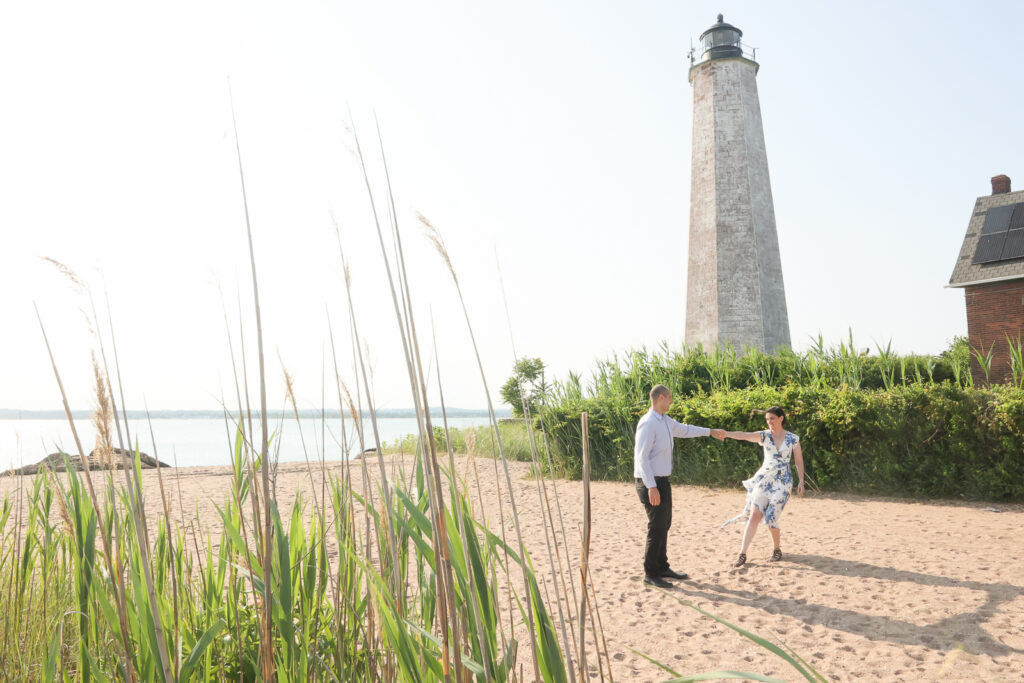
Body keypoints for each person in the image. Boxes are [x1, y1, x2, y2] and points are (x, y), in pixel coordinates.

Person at [635, 384, 725, 588]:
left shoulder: (665, 421)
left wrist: (710, 431)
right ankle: (650, 573)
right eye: (669, 398)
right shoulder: (648, 423)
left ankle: (662, 566)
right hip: (649, 482)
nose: (671, 401)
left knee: (664, 524)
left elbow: (685, 430)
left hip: (662, 481)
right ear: (659, 397)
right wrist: (651, 486)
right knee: (656, 526)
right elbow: (642, 458)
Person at [720, 406, 805, 567]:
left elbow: (799, 462)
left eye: (772, 418)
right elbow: (744, 436)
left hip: (783, 481)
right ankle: (742, 554)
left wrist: (801, 481)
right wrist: (728, 433)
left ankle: (777, 549)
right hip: (764, 480)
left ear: (781, 418)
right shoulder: (764, 436)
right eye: (767, 419)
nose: (769, 422)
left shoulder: (793, 438)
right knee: (755, 515)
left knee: (771, 518)